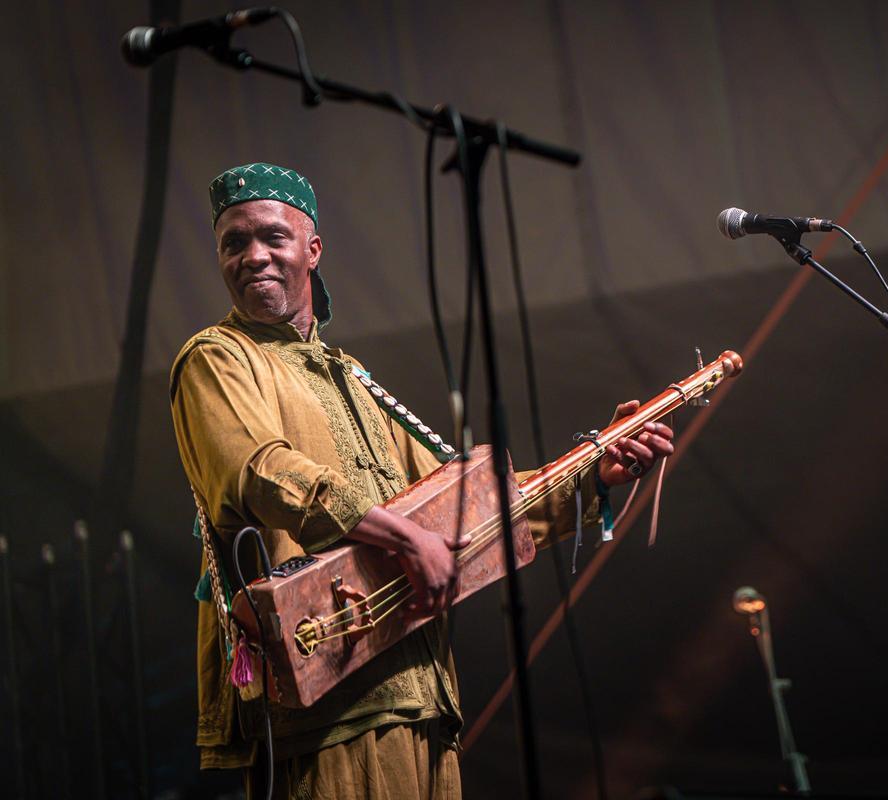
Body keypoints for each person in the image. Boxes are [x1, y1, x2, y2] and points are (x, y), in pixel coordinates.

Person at [169, 162, 674, 799]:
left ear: (313, 249)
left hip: (420, 694)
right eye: (233, 243)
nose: (254, 256)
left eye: (274, 237)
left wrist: (594, 475)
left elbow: (469, 515)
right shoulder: (216, 355)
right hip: (321, 699)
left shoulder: (351, 376)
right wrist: (409, 541)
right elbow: (265, 472)